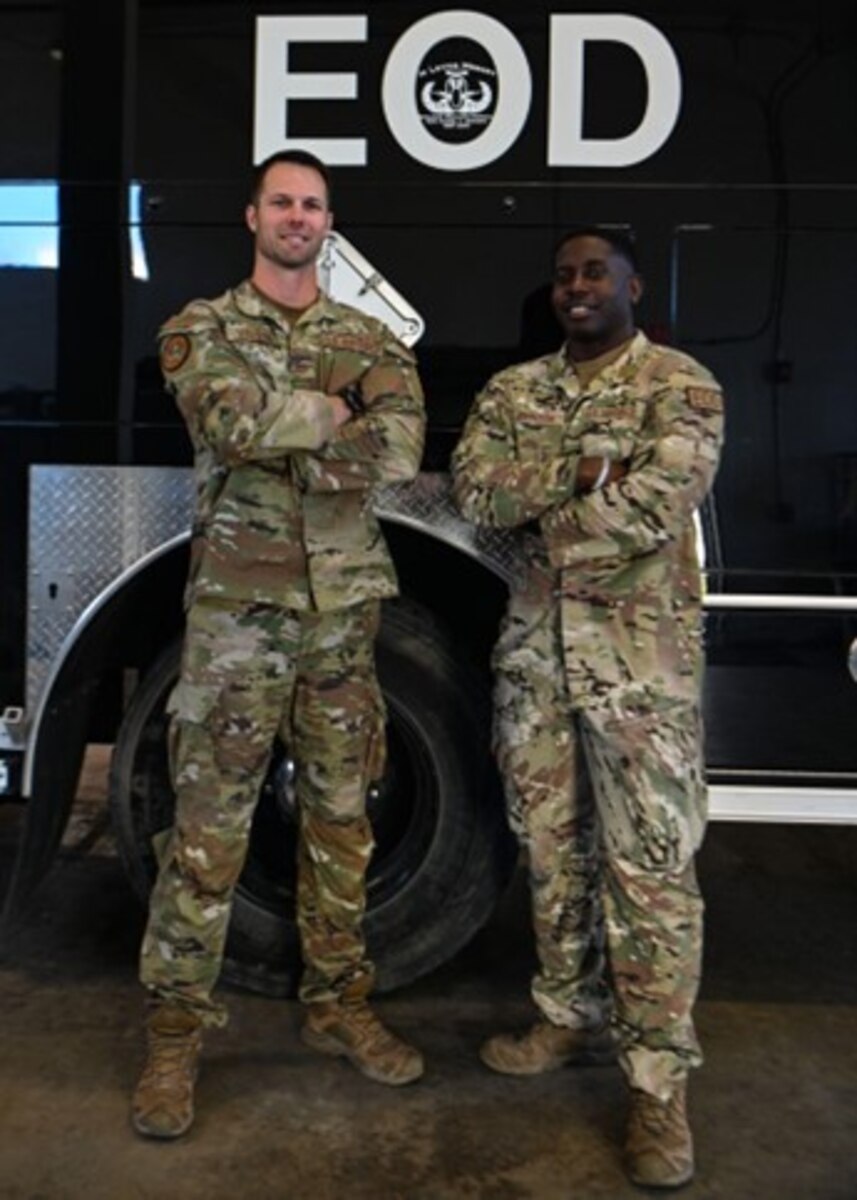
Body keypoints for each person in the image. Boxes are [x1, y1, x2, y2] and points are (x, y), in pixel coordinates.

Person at [131, 150, 427, 1140]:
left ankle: (338, 1006)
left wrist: (294, 425)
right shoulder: (199, 329)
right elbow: (228, 419)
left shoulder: (366, 333)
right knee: (209, 829)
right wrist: (332, 411)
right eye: (282, 202)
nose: (297, 218)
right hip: (237, 621)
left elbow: (401, 445)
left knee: (341, 818)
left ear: (326, 224)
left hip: (343, 616)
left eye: (312, 206)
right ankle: (174, 1036)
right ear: (251, 214)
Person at [451, 227, 724, 1189]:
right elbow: (475, 494)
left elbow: (663, 498)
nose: (577, 288)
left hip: (639, 679)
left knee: (648, 871)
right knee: (550, 850)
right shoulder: (514, 393)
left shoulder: (681, 385)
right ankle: (564, 1018)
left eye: (595, 273)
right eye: (564, 275)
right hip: (535, 666)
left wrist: (550, 521)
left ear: (630, 286)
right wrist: (577, 476)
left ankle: (656, 1089)